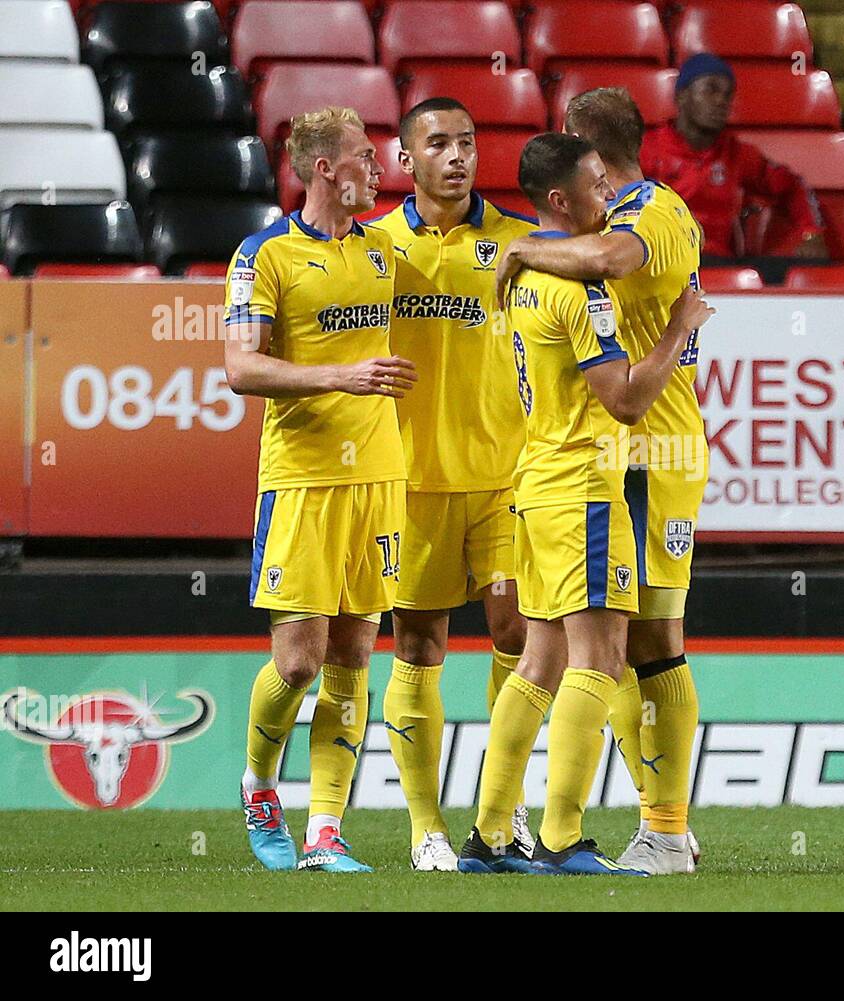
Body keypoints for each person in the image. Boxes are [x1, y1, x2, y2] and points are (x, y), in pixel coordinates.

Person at [458, 132, 714, 876]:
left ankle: (489, 834)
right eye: (597, 190)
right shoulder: (580, 287)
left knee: (536, 662)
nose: (611, 202)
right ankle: (562, 837)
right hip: (587, 486)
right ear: (562, 200)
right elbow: (628, 399)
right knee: (600, 661)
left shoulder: (524, 276)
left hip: (534, 482)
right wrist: (677, 328)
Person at [224, 106, 414, 874]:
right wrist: (341, 375)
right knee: (299, 661)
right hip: (302, 478)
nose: (380, 169)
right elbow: (241, 368)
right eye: (366, 158)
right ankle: (260, 786)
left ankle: (326, 831)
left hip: (379, 476)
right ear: (326, 169)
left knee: (354, 656)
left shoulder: (383, 250)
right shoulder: (262, 255)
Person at [369, 97, 538, 872]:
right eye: (438, 143)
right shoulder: (375, 248)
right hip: (413, 480)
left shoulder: (522, 243)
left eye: (467, 142)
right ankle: (425, 825)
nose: (457, 156)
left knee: (517, 631)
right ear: (407, 160)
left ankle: (504, 812)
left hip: (508, 474)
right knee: (420, 645)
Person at [640, 52, 826, 259]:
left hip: (720, 268)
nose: (721, 101)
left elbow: (793, 186)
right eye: (711, 90)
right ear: (682, 96)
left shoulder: (739, 155)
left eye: (727, 95)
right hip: (659, 265)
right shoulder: (646, 150)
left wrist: (811, 233)